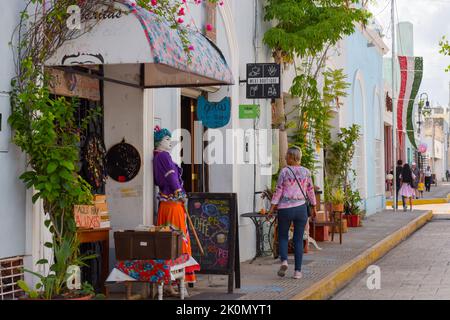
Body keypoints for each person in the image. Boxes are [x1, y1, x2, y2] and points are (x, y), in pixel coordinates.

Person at [153, 126, 199, 288]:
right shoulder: (164, 156)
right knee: (178, 238)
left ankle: (171, 276)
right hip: (173, 203)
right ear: (158, 142)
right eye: (166, 139)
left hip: (166, 204)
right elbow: (172, 177)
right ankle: (179, 276)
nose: (169, 142)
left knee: (169, 239)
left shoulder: (157, 157)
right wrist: (179, 192)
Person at [268, 147, 317, 280]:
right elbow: (310, 191)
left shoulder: (284, 171)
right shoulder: (306, 172)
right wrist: (314, 207)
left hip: (285, 208)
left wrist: (271, 208)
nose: (285, 158)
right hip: (301, 209)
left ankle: (284, 261)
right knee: (298, 239)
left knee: (283, 236)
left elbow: (278, 190)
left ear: (291, 157)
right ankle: (298, 272)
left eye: (286, 156)